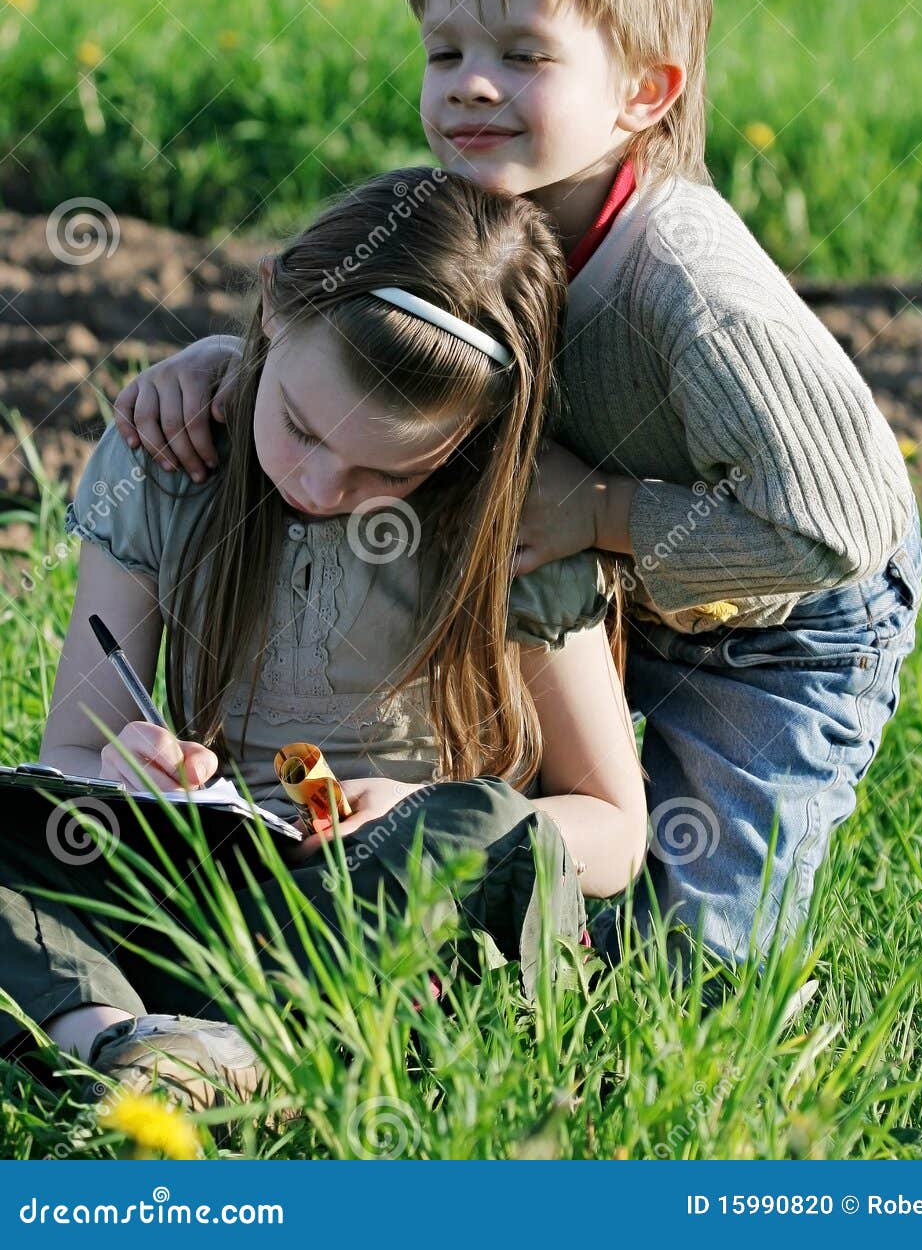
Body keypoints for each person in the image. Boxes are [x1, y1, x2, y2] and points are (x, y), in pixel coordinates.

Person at [112, 0, 922, 984]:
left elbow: (840, 522)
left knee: (686, 963)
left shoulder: (689, 290)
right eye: (444, 50)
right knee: (489, 858)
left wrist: (598, 506)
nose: (468, 85)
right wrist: (217, 365)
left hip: (780, 619)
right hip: (590, 574)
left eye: (521, 55)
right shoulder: (488, 205)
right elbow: (342, 326)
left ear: (644, 91)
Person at [1, 167, 647, 1111]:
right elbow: (72, 752)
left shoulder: (513, 524)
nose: (316, 481)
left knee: (481, 828)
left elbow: (614, 829)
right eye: (299, 426)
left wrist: (413, 806)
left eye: (385, 470)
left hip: (392, 904)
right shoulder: (172, 464)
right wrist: (131, 774)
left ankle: (244, 1040)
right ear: (270, 311)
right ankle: (121, 1043)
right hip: (211, 884)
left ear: (470, 439)